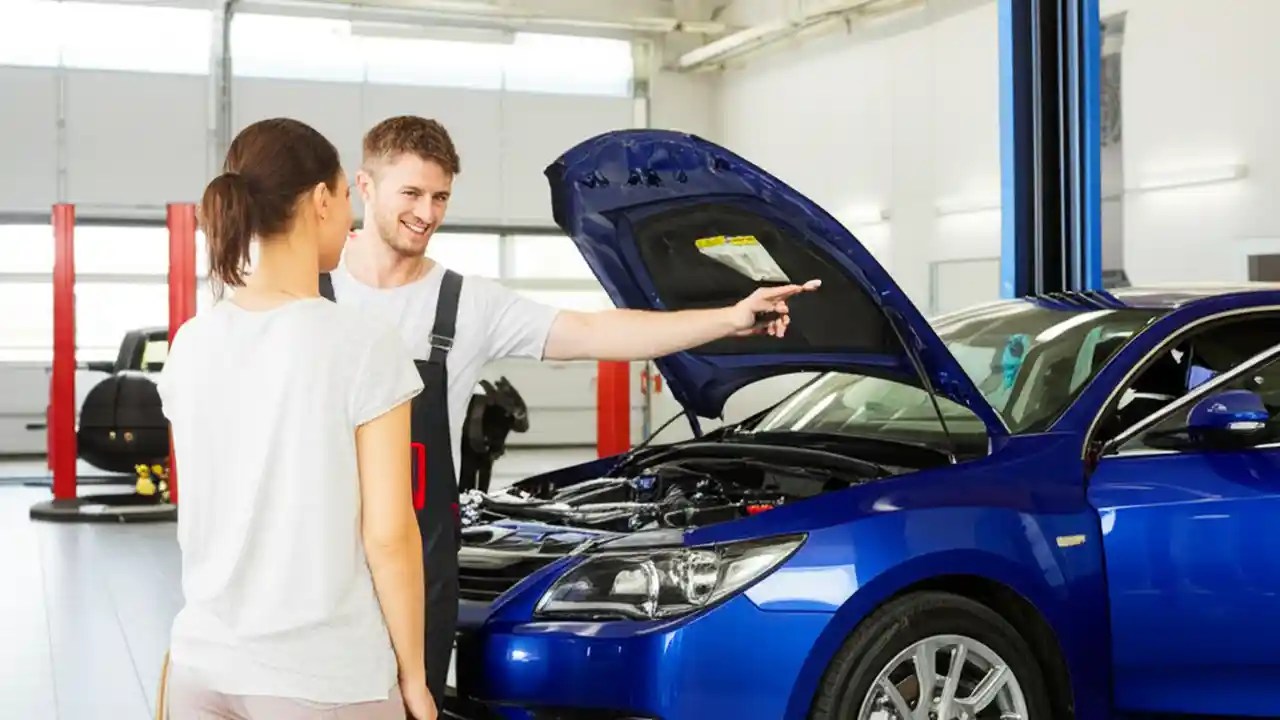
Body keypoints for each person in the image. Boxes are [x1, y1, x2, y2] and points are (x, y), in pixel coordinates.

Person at [322, 115, 821, 704]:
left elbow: (595, 331)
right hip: (321, 555)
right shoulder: (311, 289)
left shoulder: (465, 303)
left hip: (423, 563)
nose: (427, 213)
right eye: (411, 193)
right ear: (365, 184)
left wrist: (729, 318)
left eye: (440, 197)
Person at [158, 117, 438, 720]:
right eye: (344, 199)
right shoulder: (362, 341)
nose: (351, 219)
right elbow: (389, 535)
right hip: (322, 678)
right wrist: (413, 677)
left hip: (200, 668)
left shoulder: (192, 341)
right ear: (319, 200)